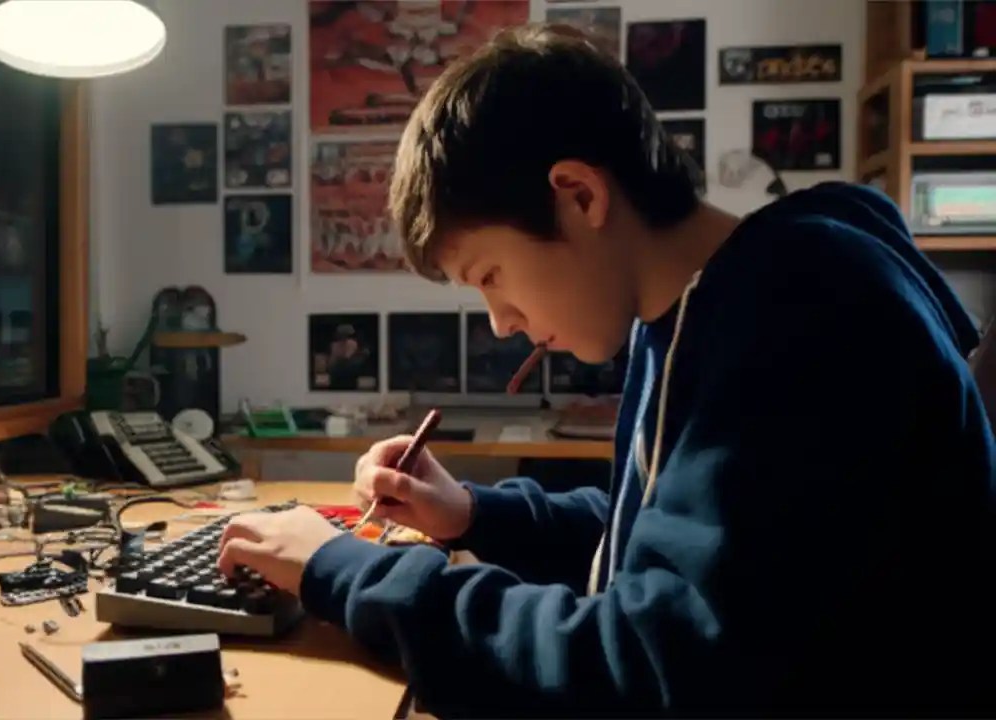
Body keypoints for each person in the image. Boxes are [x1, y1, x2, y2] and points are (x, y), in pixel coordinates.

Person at [217, 23, 996, 716]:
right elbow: (669, 540)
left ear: (579, 195)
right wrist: (473, 517)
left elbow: (648, 666)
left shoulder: (798, 312)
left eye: (490, 274)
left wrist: (341, 570)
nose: (501, 321)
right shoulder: (712, 304)